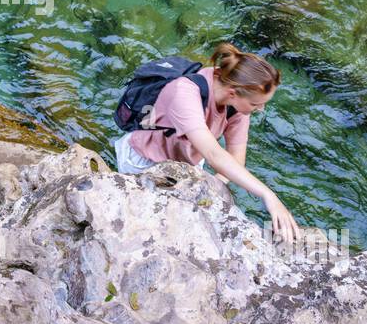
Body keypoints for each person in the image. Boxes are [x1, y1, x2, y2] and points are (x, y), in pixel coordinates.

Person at [114, 42, 302, 243]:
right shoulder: (184, 92)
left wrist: (213, 189)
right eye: (256, 104)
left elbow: (235, 158)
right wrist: (268, 195)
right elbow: (213, 154)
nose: (261, 109)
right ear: (232, 93)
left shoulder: (238, 105)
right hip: (145, 159)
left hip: (189, 160)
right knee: (143, 224)